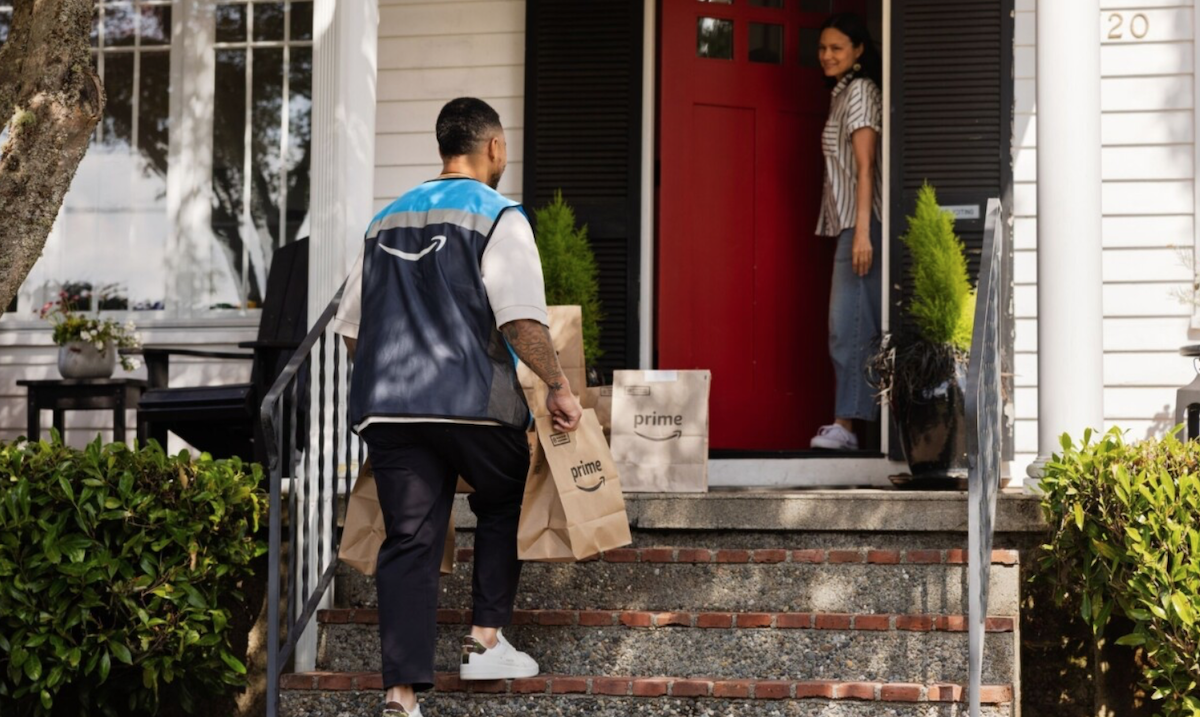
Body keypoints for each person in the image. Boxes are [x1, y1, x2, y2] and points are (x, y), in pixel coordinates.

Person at [332, 97, 583, 717]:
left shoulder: (383, 220)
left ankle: (401, 695)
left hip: (390, 408)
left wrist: (388, 378)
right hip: (472, 404)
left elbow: (351, 331)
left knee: (410, 538)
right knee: (503, 492)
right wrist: (559, 387)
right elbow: (522, 322)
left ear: (444, 147)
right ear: (494, 147)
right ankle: (485, 639)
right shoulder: (500, 216)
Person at [809, 12, 884, 452]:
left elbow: (865, 165)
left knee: (849, 325)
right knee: (847, 324)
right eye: (822, 48)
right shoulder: (843, 93)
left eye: (837, 47)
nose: (827, 55)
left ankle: (847, 427)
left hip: (861, 224)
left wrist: (861, 232)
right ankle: (850, 424)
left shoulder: (859, 92)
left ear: (858, 50)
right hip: (851, 224)